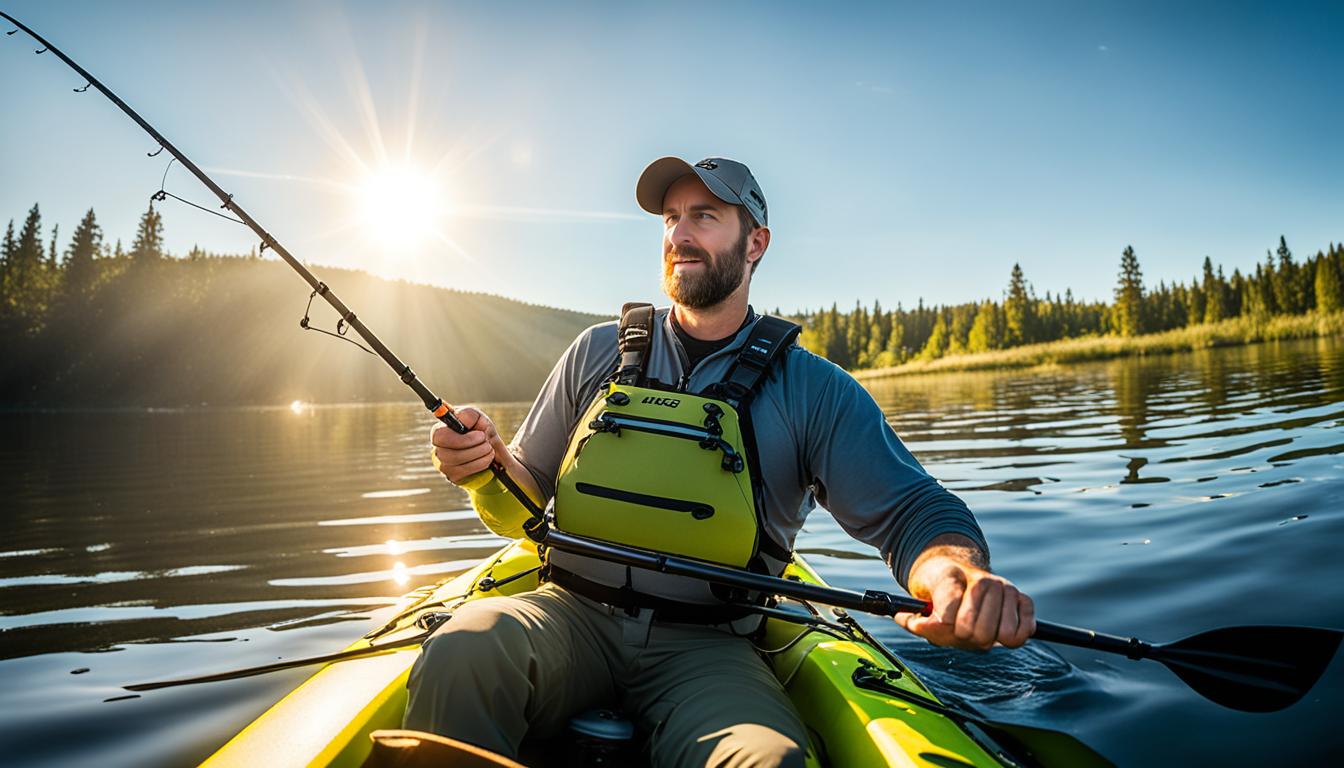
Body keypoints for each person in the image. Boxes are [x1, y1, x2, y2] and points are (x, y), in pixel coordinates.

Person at [406, 156, 1036, 767]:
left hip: (709, 647)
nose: (679, 234)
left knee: (768, 759)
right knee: (463, 648)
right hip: (566, 616)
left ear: (755, 243)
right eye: (670, 218)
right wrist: (483, 464)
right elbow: (524, 497)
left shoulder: (812, 388)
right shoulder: (594, 351)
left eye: (704, 216)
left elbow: (913, 514)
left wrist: (955, 577)